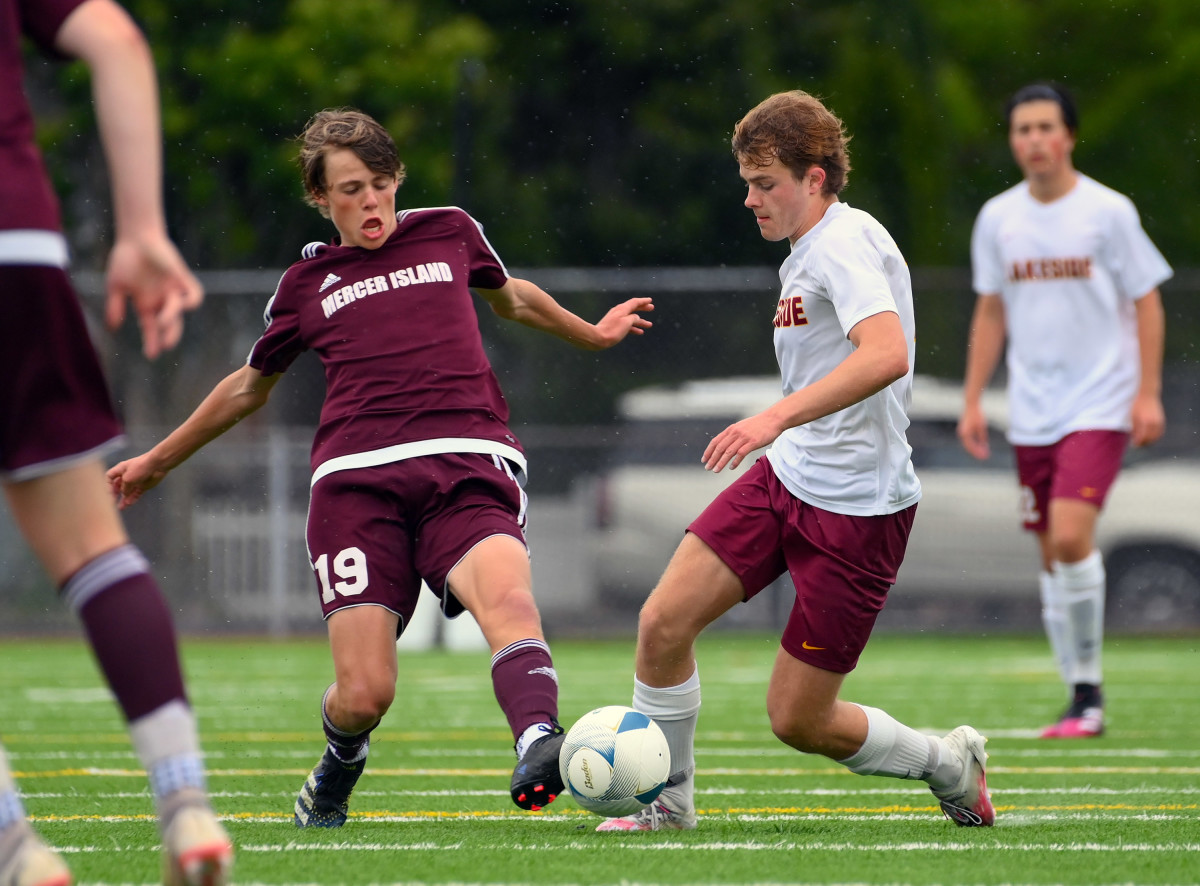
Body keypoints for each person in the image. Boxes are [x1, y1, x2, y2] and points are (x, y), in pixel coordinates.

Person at [107, 108, 654, 827]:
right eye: (350, 190)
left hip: (465, 459)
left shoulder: (451, 231)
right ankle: (338, 765)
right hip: (357, 484)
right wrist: (157, 460)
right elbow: (249, 386)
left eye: (378, 184)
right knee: (364, 695)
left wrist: (592, 334)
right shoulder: (308, 283)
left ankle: (537, 741)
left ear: (397, 179)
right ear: (321, 199)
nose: (369, 202)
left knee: (510, 603)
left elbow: (511, 297)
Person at [594, 90, 995, 833]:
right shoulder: (810, 248)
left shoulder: (842, 244)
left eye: (765, 182)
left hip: (859, 511)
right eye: (746, 181)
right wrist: (786, 432)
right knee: (662, 625)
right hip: (788, 479)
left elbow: (887, 355)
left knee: (799, 720)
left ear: (816, 178)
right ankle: (667, 808)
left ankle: (948, 765)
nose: (750, 199)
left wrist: (773, 416)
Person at [0, 0, 234, 884]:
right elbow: (118, 39)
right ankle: (186, 806)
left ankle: (16, 849)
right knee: (95, 550)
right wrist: (141, 228)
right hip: (17, 243)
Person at [958, 83, 1171, 739]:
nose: (1034, 140)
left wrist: (1147, 392)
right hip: (1032, 409)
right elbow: (991, 309)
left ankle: (1089, 695)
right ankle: (1078, 694)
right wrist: (972, 397)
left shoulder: (1108, 212)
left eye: (1046, 127)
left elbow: (1147, 301)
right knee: (1052, 556)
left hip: (1100, 402)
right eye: (1022, 129)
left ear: (1069, 136)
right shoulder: (998, 217)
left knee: (1074, 536)